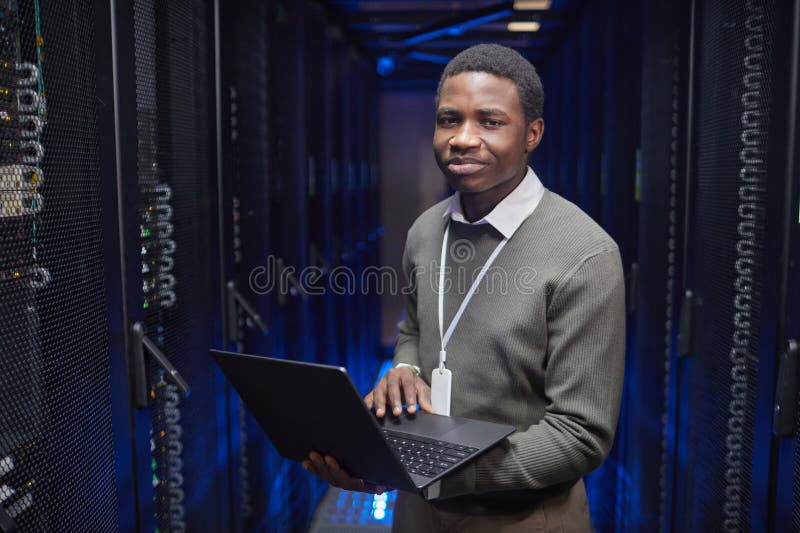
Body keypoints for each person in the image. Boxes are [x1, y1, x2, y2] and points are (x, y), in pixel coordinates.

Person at [303, 43, 625, 532]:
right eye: (449, 120)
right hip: (418, 512)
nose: (463, 138)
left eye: (490, 122)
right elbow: (414, 328)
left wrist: (439, 470)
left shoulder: (583, 253)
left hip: (522, 519)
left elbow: (580, 435)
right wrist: (404, 368)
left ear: (532, 134)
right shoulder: (426, 231)